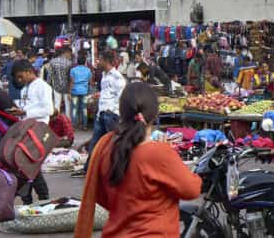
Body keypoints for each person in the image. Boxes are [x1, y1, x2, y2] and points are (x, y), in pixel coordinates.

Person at [74, 81, 199, 237]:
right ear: (155, 114)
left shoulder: (106, 147)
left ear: (122, 112)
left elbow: (101, 195)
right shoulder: (159, 153)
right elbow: (192, 190)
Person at [74, 50, 125, 177]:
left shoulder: (117, 76)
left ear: (106, 61)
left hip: (111, 115)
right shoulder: (104, 75)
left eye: (100, 59)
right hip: (102, 113)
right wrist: (100, 96)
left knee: (113, 144)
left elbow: (121, 96)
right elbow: (108, 92)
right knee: (95, 143)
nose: (98, 61)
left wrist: (112, 110)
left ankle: (118, 169)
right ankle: (88, 169)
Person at [13, 59, 55, 204]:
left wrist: (24, 112)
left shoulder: (43, 86)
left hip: (39, 131)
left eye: (21, 76)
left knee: (31, 167)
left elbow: (49, 110)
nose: (20, 80)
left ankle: (42, 198)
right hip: (26, 130)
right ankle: (29, 199)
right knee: (25, 167)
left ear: (29, 71)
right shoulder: (25, 88)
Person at [44, 46, 74, 115]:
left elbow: (49, 75)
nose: (70, 56)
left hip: (56, 86)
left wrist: (48, 86)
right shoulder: (69, 63)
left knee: (57, 104)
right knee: (68, 105)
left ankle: (57, 119)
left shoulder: (52, 62)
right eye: (70, 54)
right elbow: (70, 77)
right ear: (66, 53)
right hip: (66, 87)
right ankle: (67, 119)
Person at [70, 55, 93, 130]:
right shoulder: (88, 70)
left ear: (77, 62)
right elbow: (90, 82)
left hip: (74, 91)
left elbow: (72, 82)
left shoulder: (73, 70)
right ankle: (84, 125)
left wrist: (69, 92)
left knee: (74, 109)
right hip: (84, 91)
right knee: (84, 109)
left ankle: (73, 126)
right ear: (85, 62)